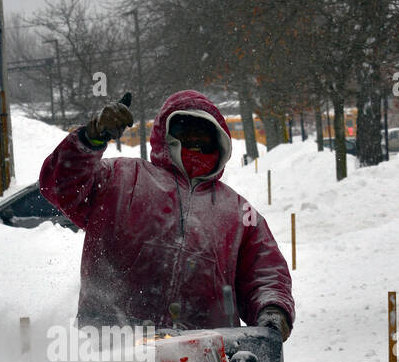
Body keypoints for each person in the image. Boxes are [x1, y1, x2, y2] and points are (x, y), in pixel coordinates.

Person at [39, 88, 294, 337]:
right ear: (166, 133)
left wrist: (273, 311)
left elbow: (266, 272)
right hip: (111, 351)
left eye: (203, 135)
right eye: (185, 132)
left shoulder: (240, 213)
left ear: (218, 140)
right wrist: (91, 137)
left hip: (207, 360)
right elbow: (59, 184)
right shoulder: (120, 178)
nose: (195, 142)